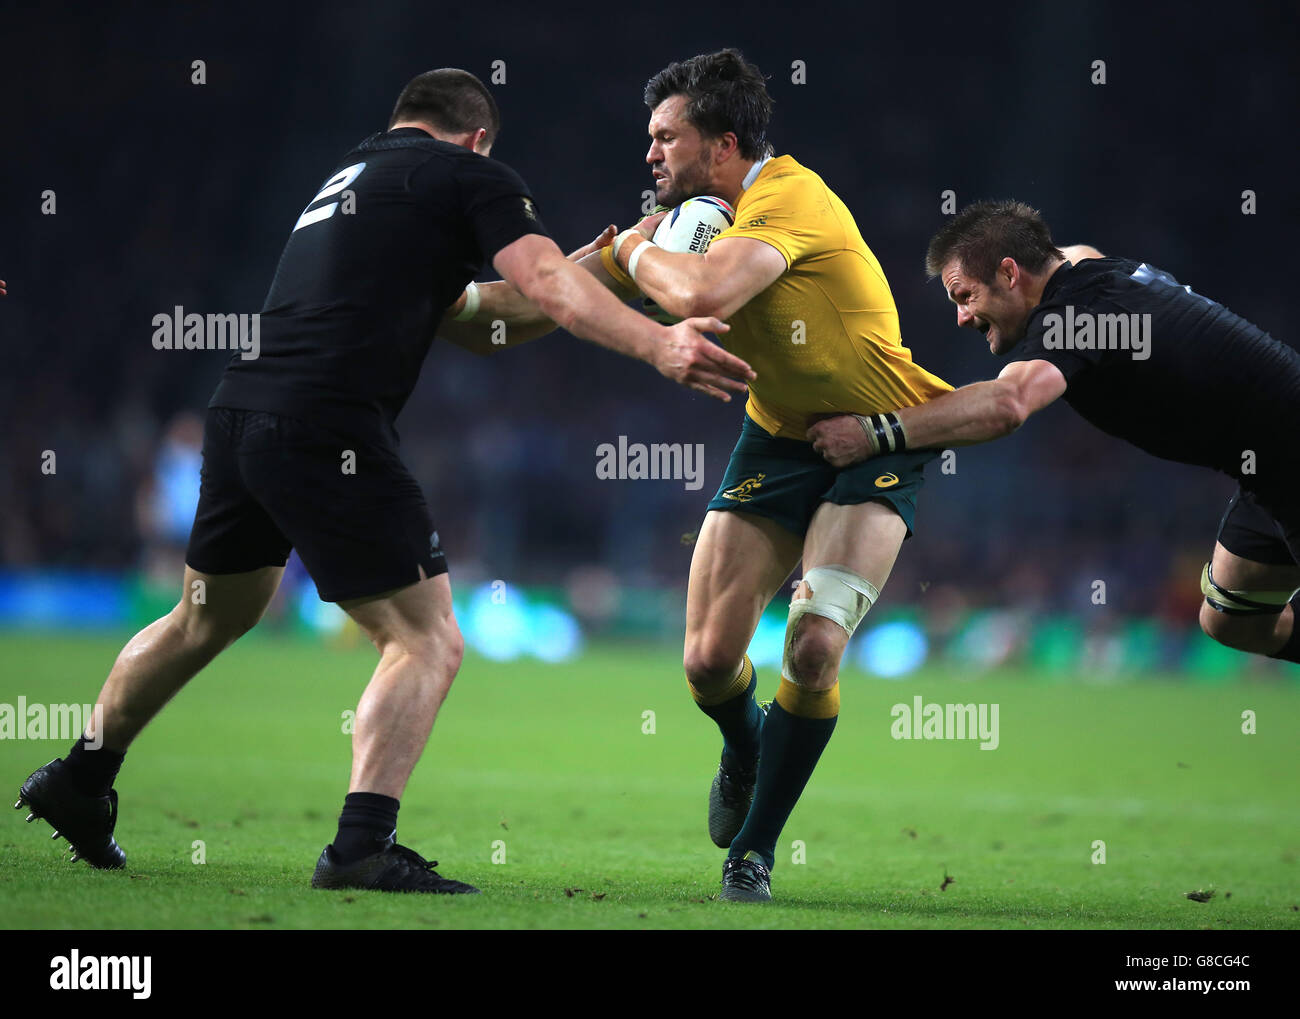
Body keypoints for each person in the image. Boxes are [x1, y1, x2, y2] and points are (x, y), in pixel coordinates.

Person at [14, 68, 752, 894]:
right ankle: (361, 845)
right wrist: (656, 342)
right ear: (477, 138)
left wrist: (603, 263)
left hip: (241, 412)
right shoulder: (472, 176)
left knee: (207, 615)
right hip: (327, 423)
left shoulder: (351, 180)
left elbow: (483, 319)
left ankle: (79, 778)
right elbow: (542, 287)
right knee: (427, 639)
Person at [514, 49, 954, 902]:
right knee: (710, 660)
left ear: (720, 144)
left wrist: (637, 255)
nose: (650, 153)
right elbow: (549, 293)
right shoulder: (682, 219)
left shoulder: (787, 197)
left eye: (664, 137)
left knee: (815, 641)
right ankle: (747, 746)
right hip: (779, 436)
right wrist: (450, 305)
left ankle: (752, 851)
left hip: (880, 431)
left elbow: (699, 292)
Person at [809, 199, 1300, 666]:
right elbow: (1077, 250)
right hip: (1267, 468)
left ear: (1008, 273)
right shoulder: (1084, 273)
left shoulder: (1072, 320)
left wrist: (875, 434)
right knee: (1233, 621)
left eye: (965, 296)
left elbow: (1008, 403)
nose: (961, 317)